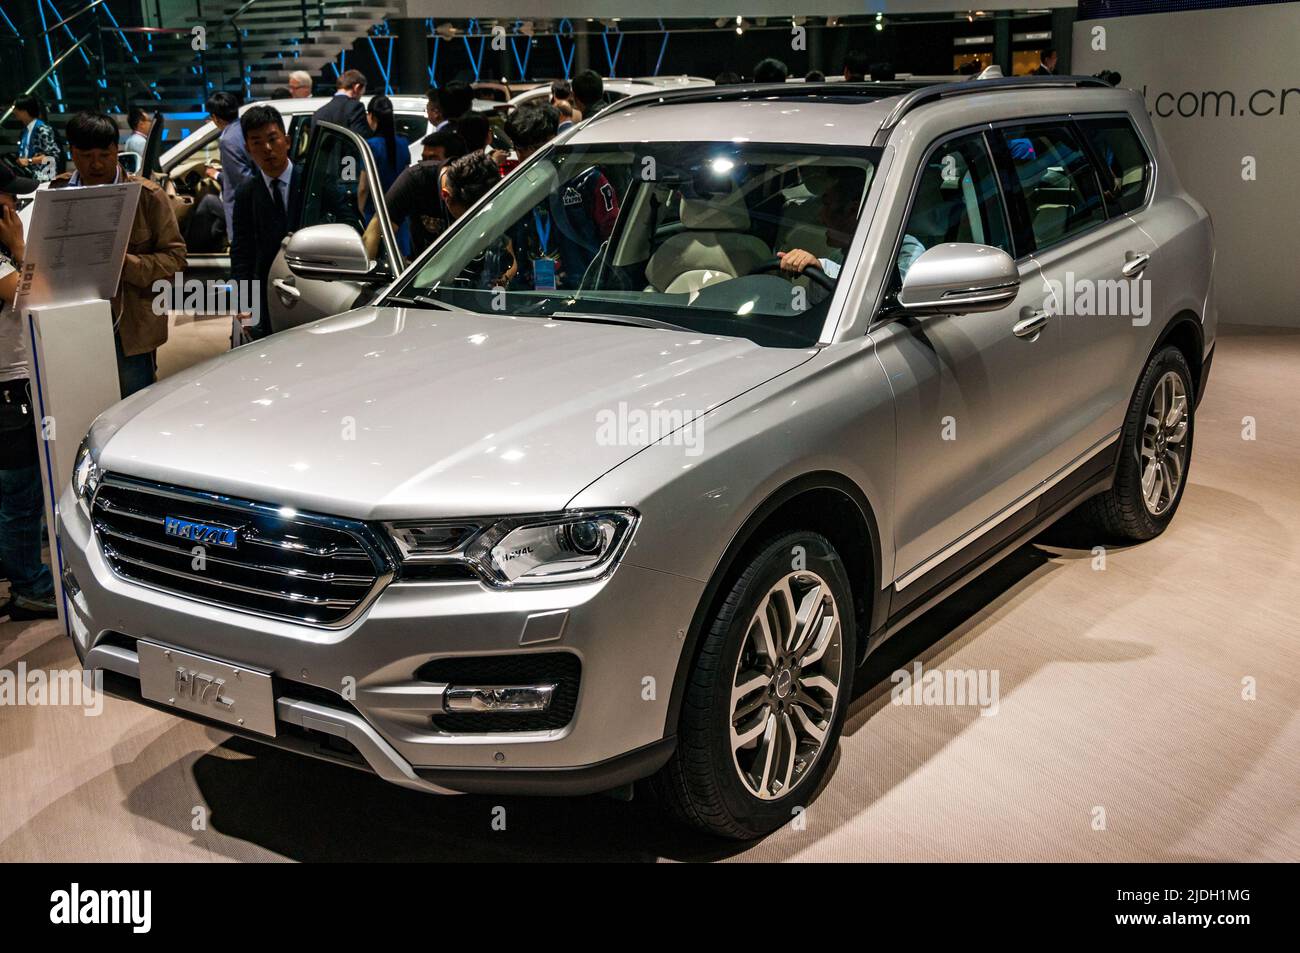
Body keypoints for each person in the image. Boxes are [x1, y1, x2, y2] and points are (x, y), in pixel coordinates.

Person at [48, 112, 186, 397]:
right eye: (86, 155)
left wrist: (124, 263)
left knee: (133, 407)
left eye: (105, 154)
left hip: (129, 327)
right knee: (82, 402)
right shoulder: (58, 191)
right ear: (72, 152)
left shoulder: (147, 196)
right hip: (74, 322)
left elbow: (175, 260)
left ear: (117, 151)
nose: (96, 164)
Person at [0, 165, 55, 619]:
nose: (14, 208)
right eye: (7, 201)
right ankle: (27, 586)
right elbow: (36, 291)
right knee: (20, 494)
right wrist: (20, 247)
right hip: (6, 390)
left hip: (11, 383)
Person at [231, 105, 300, 341]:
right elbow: (241, 252)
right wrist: (244, 301)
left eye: (272, 139)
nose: (267, 149)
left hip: (312, 291)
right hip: (266, 295)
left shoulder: (314, 182)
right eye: (257, 142)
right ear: (248, 149)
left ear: (287, 141)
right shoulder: (246, 193)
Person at [206, 91, 254, 240]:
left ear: (215, 118)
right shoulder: (242, 129)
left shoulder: (228, 140)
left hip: (241, 215)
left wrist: (217, 175)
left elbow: (242, 181)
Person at [12, 95, 58, 182]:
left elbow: (52, 156)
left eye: (16, 108)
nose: (14, 111)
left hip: (43, 179)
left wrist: (29, 160)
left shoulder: (42, 129)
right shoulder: (25, 131)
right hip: (29, 178)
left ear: (25, 110)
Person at [312, 68, 369, 136]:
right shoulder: (355, 107)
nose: (361, 95)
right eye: (362, 91)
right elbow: (361, 137)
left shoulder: (319, 112)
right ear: (356, 87)